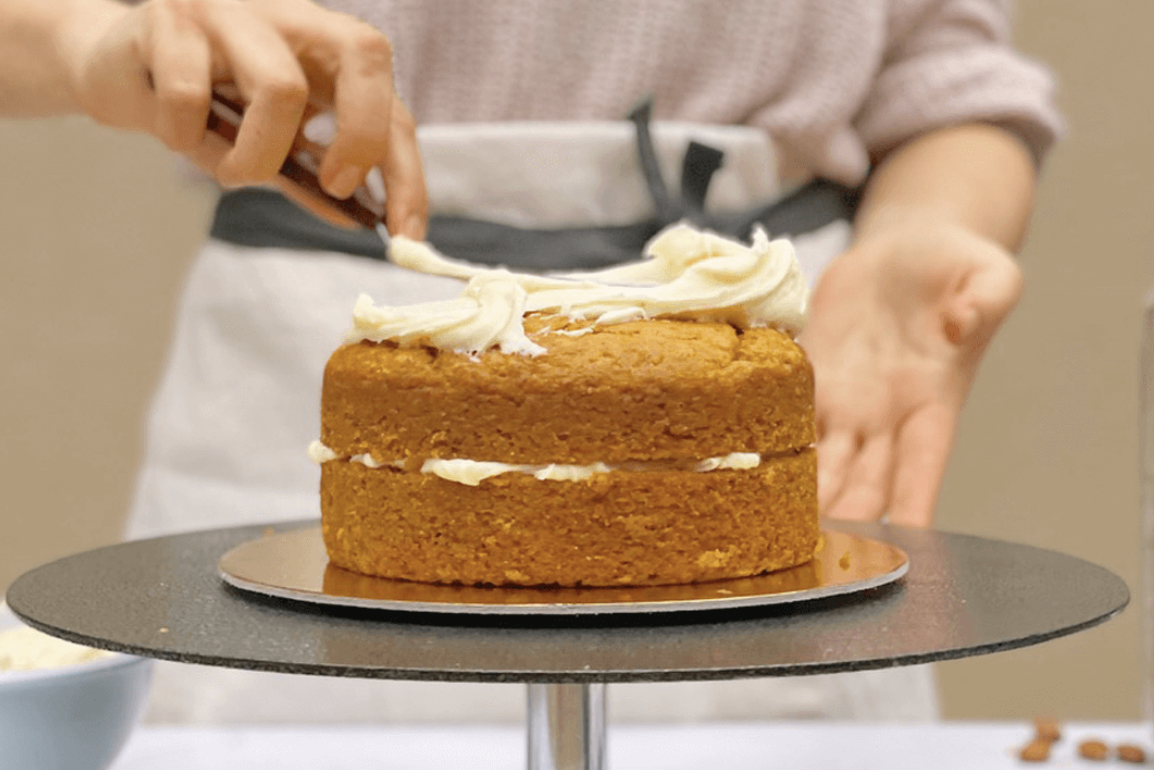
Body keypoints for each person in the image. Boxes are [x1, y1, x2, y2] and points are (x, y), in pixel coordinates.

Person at [0, 0, 1061, 723]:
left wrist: (925, 225)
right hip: (324, 340)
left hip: (752, 331)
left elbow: (945, 73)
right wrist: (96, 40)